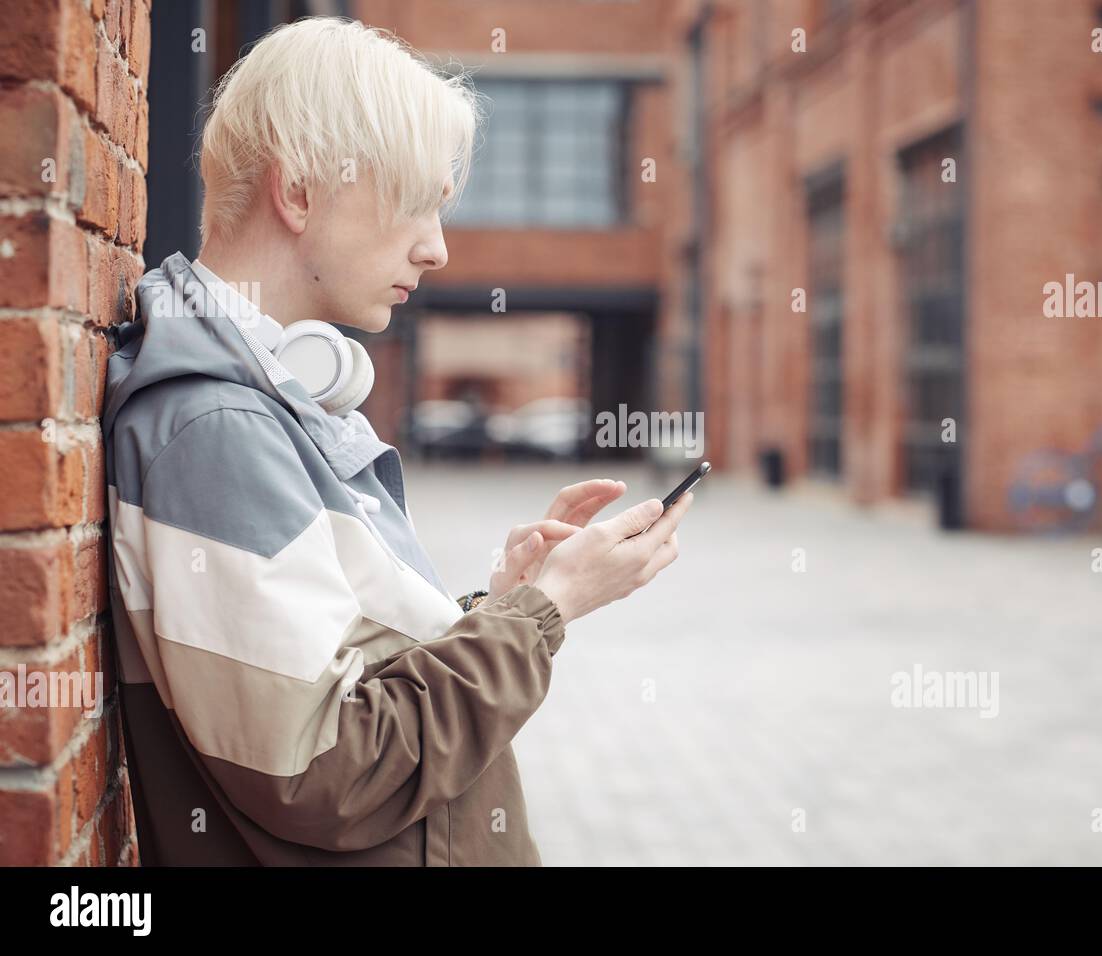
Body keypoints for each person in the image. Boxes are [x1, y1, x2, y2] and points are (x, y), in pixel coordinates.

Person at [100, 16, 691, 866]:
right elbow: (327, 770)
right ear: (299, 192)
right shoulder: (217, 432)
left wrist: (499, 602)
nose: (438, 248)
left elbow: (347, 674)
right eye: (417, 204)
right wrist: (541, 612)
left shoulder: (264, 406)